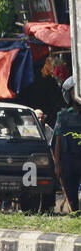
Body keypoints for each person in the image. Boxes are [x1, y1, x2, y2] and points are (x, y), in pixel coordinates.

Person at [53, 76, 81, 213]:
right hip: (69, 160)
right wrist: (58, 164)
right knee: (72, 196)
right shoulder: (63, 116)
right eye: (74, 91)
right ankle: (75, 216)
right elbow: (58, 141)